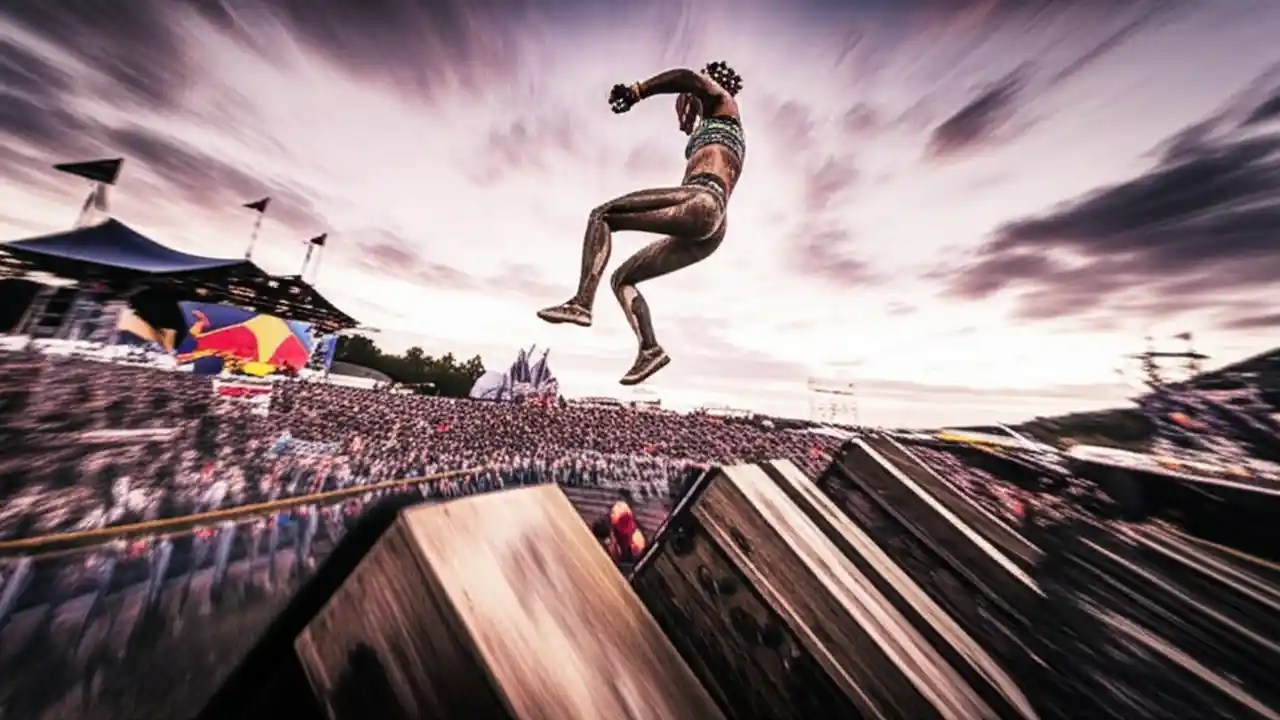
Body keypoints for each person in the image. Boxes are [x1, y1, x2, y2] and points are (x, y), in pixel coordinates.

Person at [538, 61, 746, 385]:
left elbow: (688, 78)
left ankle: (581, 303)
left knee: (602, 216)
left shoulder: (723, 103)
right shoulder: (719, 123)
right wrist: (686, 118)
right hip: (711, 226)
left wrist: (637, 91)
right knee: (621, 278)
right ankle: (650, 349)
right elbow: (690, 96)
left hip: (704, 201)